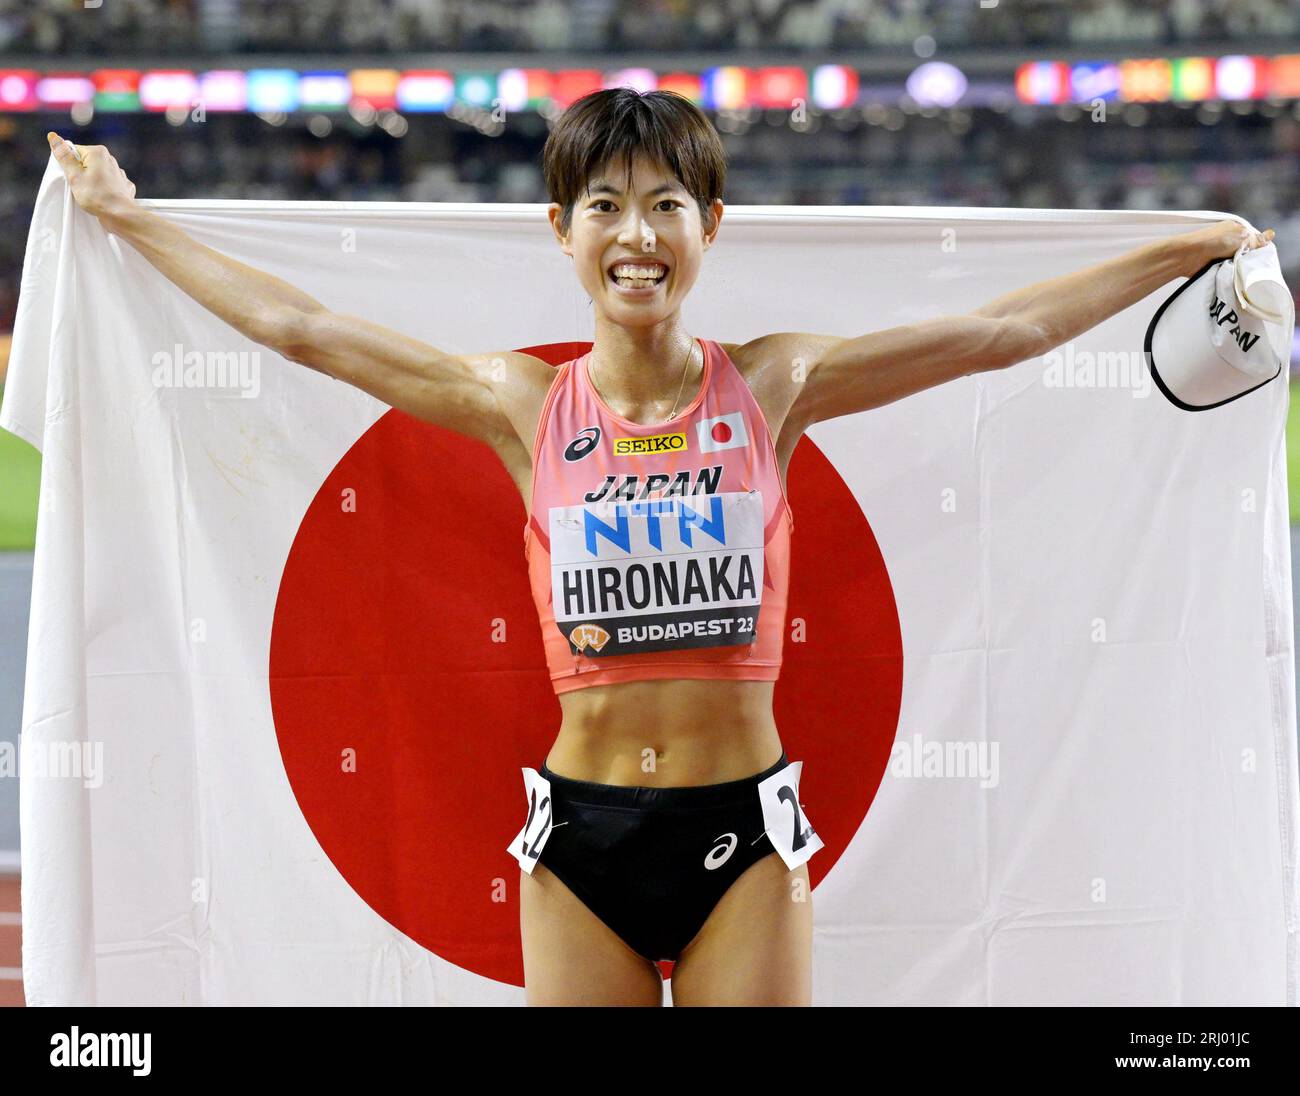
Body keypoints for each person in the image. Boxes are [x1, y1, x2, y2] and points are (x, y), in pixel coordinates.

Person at [45, 88, 1274, 1007]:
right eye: (604, 206)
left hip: (744, 834)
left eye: (665, 204)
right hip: (579, 841)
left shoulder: (776, 385)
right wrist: (127, 217)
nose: (636, 232)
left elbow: (999, 330)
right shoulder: (521, 404)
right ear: (562, 231)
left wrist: (1181, 248)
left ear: (710, 225)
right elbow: (302, 327)